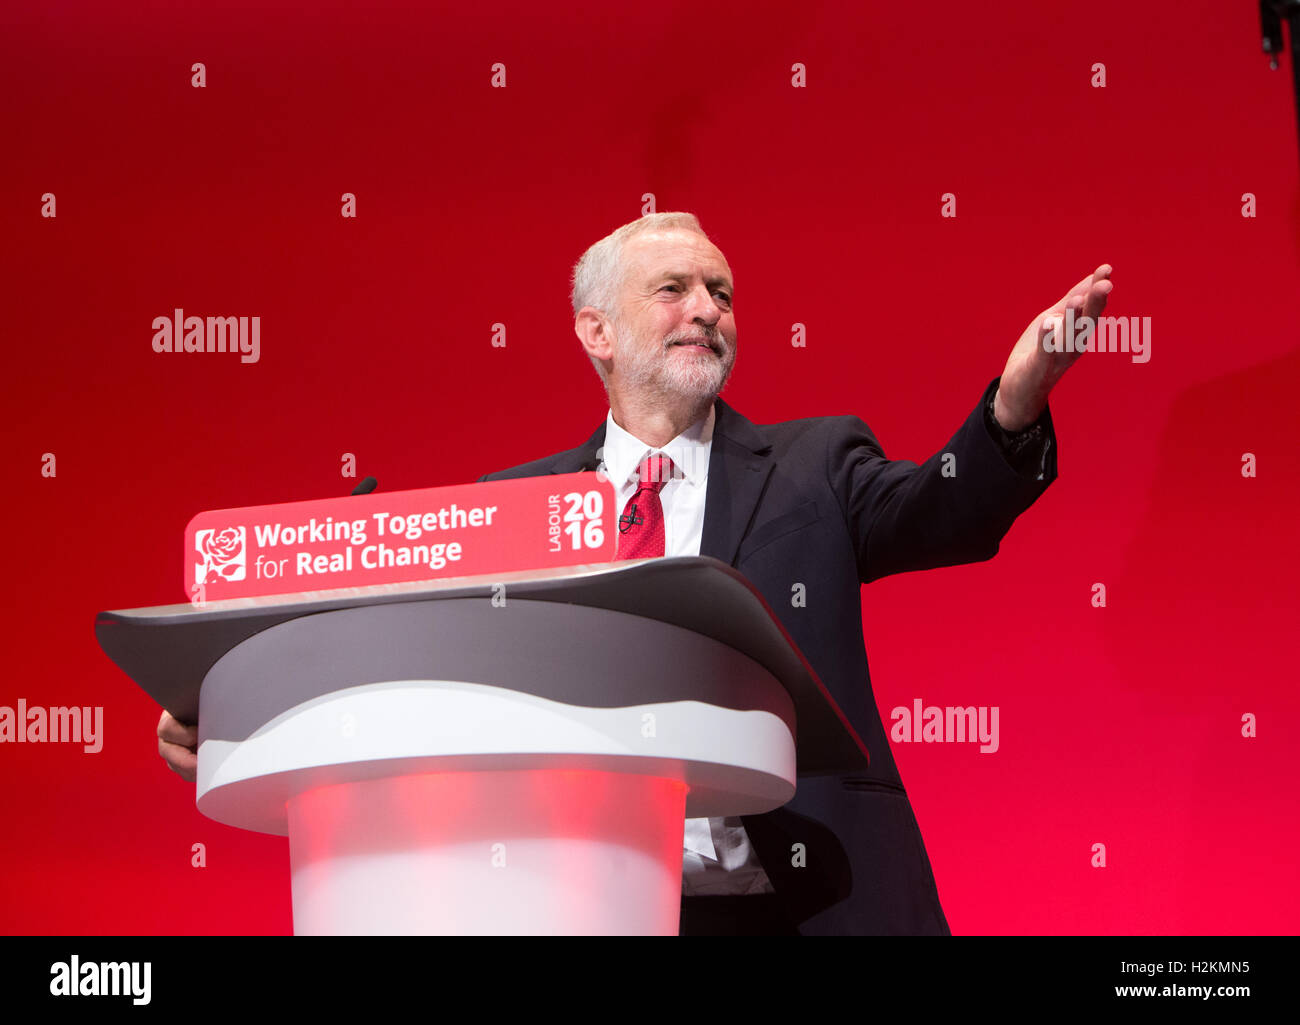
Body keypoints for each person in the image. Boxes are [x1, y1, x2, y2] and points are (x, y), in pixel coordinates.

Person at [159, 211, 1113, 935]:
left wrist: (1014, 404)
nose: (708, 308)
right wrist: (241, 708)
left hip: (808, 899)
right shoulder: (512, 507)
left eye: (722, 292)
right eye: (674, 289)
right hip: (587, 905)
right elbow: (423, 664)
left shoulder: (816, 465)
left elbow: (941, 511)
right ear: (596, 332)